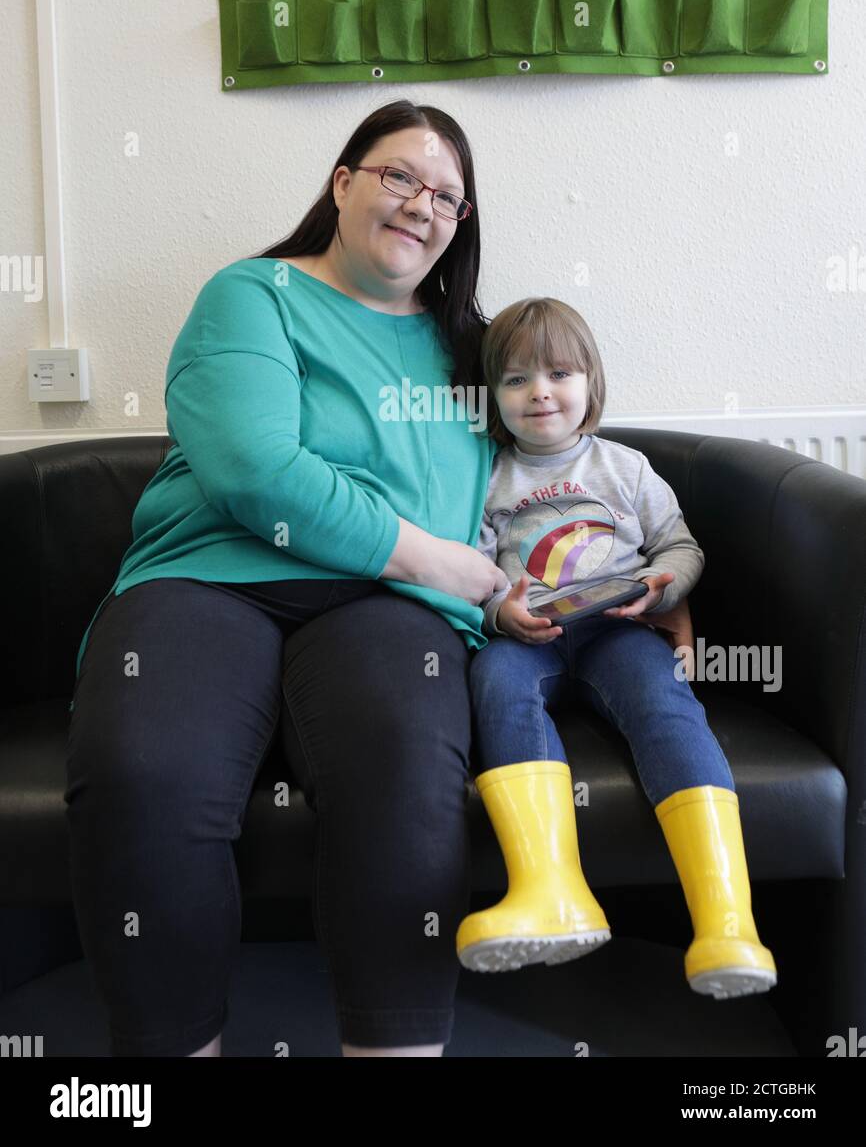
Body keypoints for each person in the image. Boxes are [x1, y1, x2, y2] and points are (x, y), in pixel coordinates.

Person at [66, 98, 519, 1057]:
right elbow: (254, 473)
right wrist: (441, 560)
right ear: (343, 182)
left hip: (386, 609)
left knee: (405, 764)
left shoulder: (474, 346)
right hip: (211, 576)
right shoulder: (252, 293)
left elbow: (564, 463)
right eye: (399, 175)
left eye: (447, 194)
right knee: (142, 772)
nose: (421, 203)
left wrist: (622, 570)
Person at [457, 297, 778, 1001]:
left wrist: (662, 588)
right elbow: (472, 572)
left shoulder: (625, 468)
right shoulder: (482, 476)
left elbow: (680, 548)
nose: (539, 391)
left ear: (590, 384)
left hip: (619, 629)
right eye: (515, 380)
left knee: (666, 706)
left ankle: (726, 920)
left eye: (559, 373)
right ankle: (549, 891)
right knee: (495, 686)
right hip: (528, 637)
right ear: (493, 399)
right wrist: (498, 614)